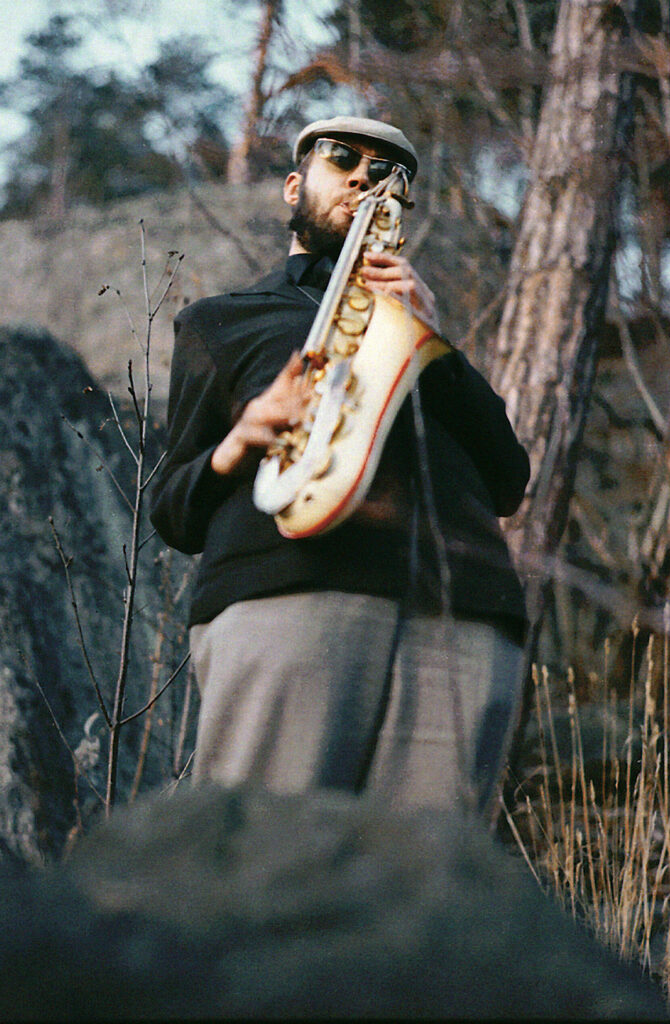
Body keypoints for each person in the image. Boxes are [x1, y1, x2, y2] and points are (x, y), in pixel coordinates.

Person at [150, 115, 530, 814]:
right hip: (291, 594)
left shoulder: (427, 321)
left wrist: (434, 339)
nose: (363, 176)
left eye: (386, 172)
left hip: (462, 615)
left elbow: (508, 478)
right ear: (293, 187)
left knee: (426, 898)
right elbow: (173, 507)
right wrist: (242, 439)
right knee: (261, 870)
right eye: (342, 159)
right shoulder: (221, 320)